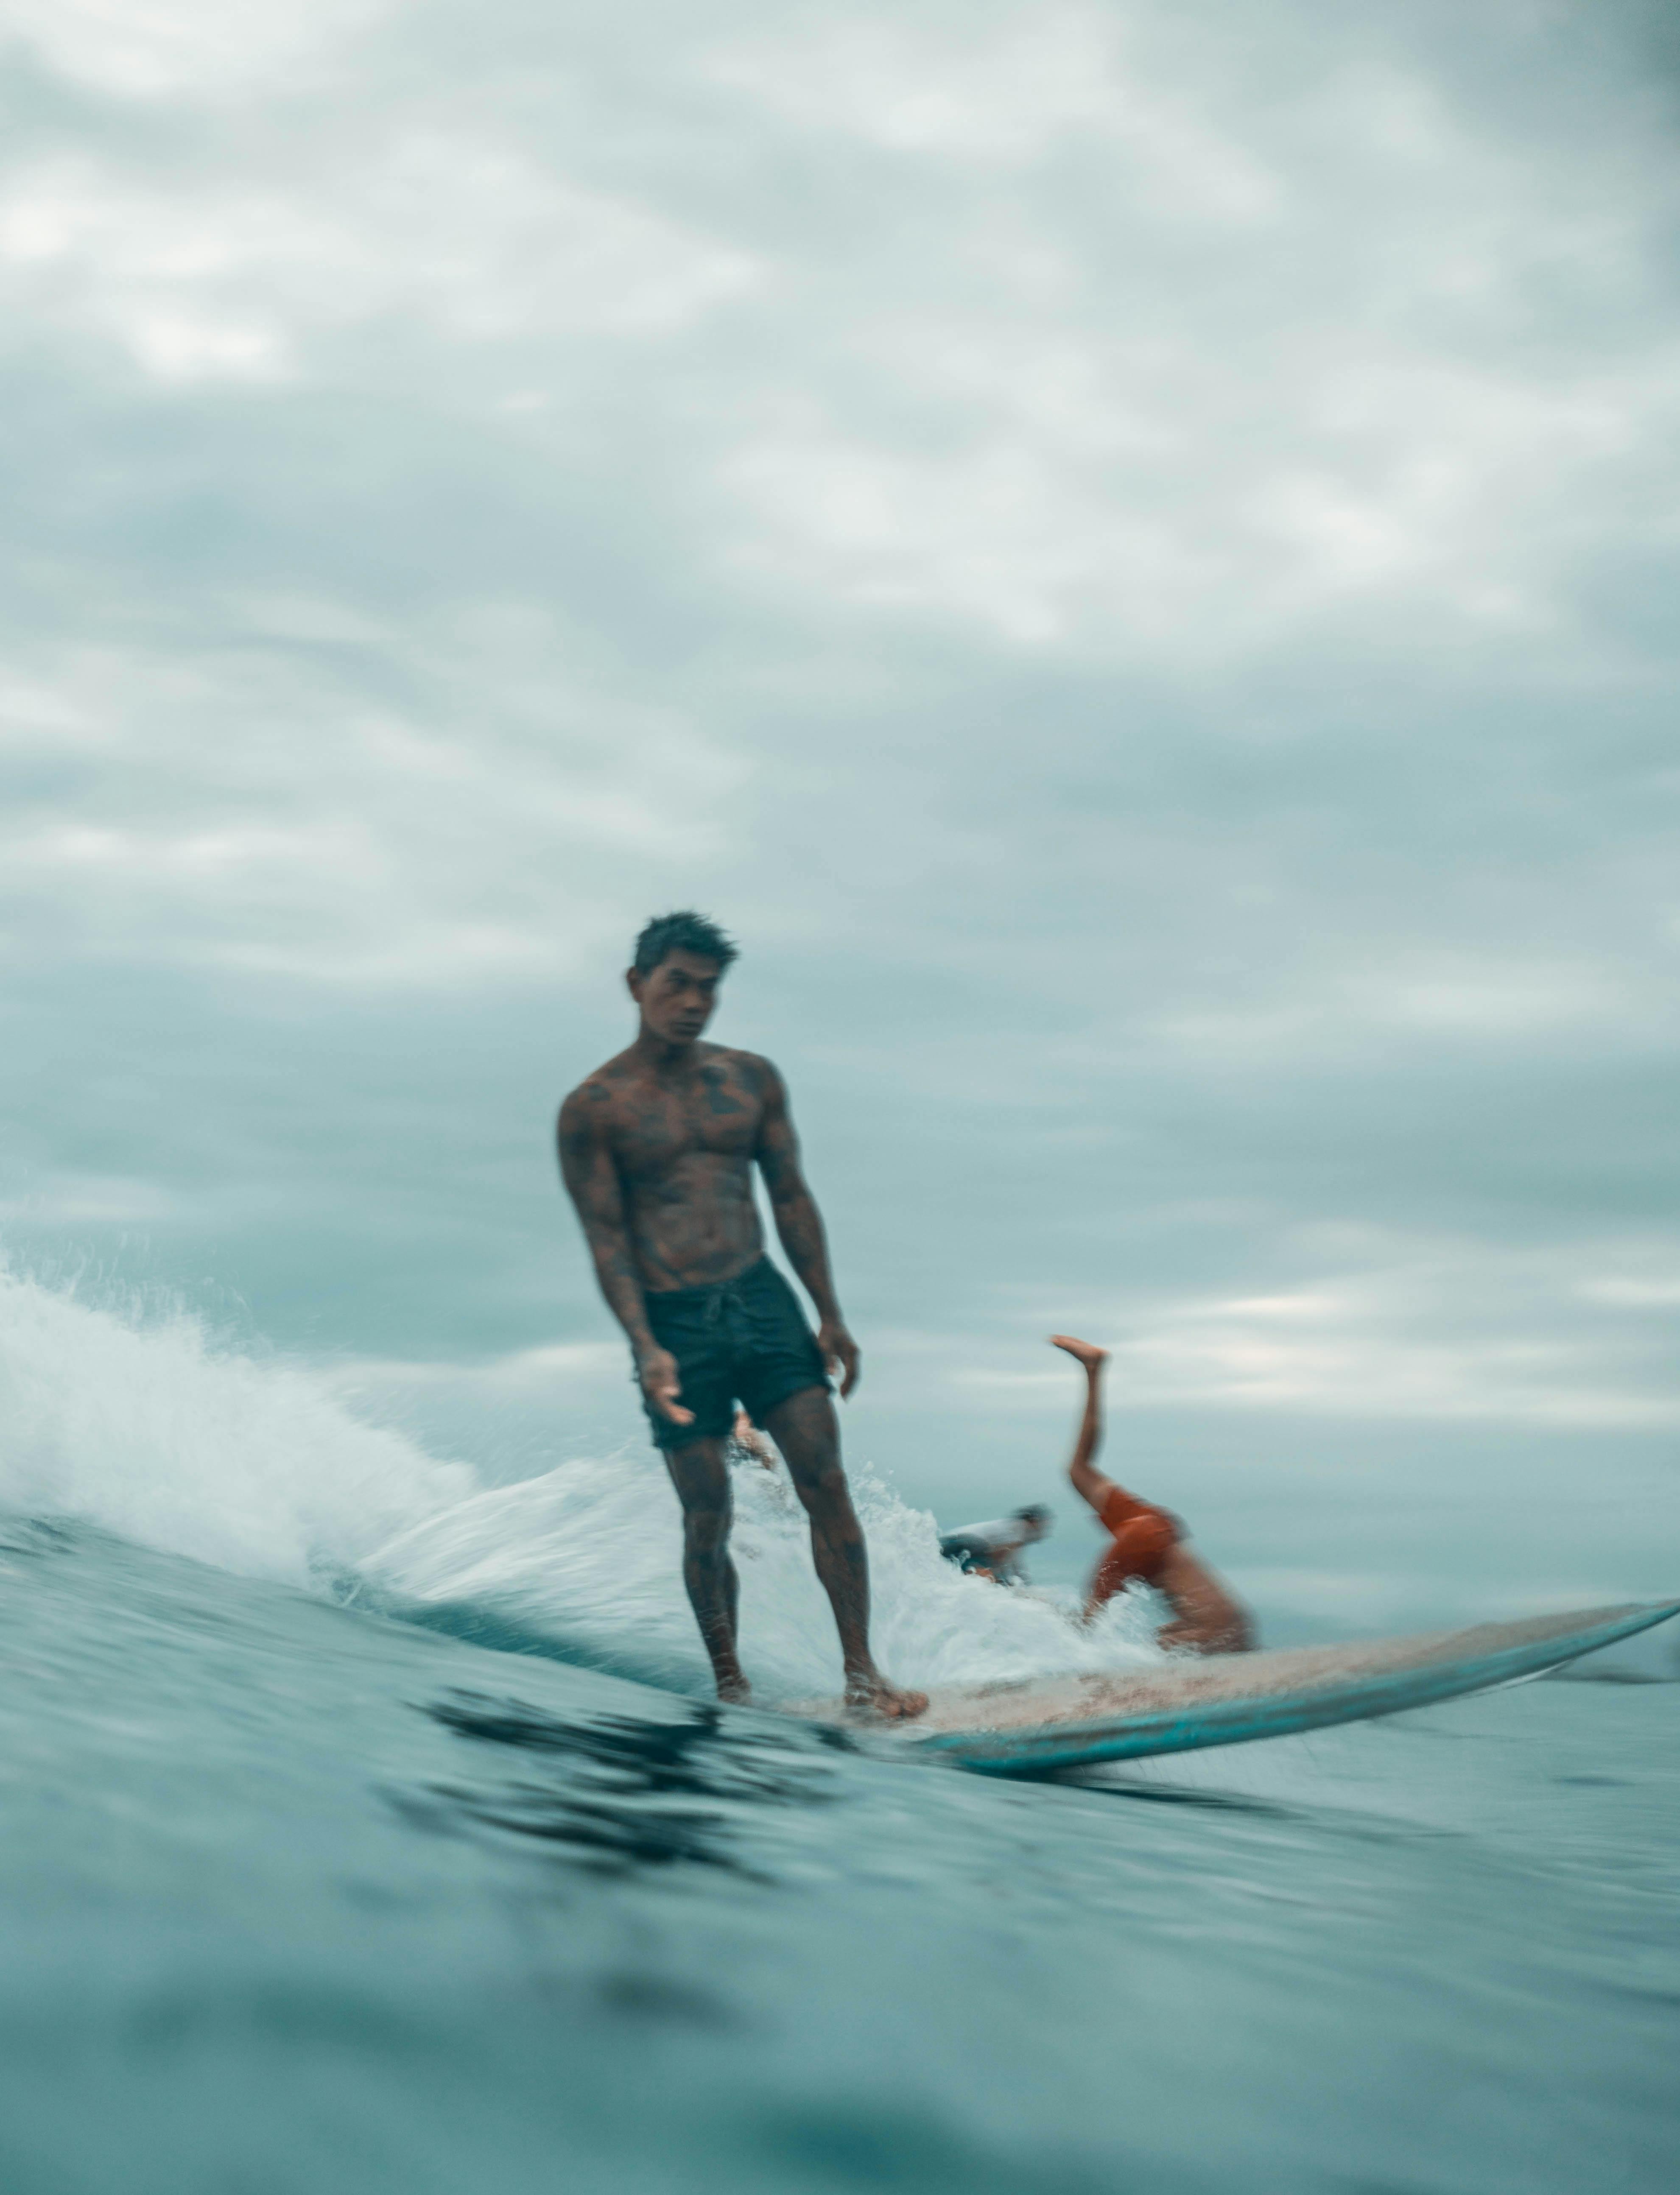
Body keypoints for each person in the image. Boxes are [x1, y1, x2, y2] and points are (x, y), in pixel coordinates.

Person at [557, 909, 926, 1720]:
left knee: (825, 1481)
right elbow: (606, 1239)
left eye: (708, 988)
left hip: (762, 1302)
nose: (694, 1002)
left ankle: (863, 1675)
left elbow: (790, 1195)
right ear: (636, 985)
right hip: (673, 1322)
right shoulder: (594, 1108)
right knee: (707, 1513)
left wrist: (830, 1314)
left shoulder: (750, 1080)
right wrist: (645, 1346)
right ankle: (731, 1686)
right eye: (677, 984)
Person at [1050, 1334, 1253, 1652]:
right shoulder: (1226, 1633)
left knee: (1078, 1469)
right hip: (1147, 1538)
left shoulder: (1223, 1624)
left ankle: (1093, 1370)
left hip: (1150, 1527)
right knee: (1089, 1628)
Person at [938, 1505, 1053, 1585]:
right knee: (993, 1582)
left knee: (971, 1578)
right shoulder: (1021, 1527)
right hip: (968, 1542)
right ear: (1032, 1521)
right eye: (1042, 1525)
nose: (1042, 1531)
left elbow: (1013, 1564)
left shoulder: (1007, 1528)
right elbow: (1000, 1557)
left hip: (947, 1542)